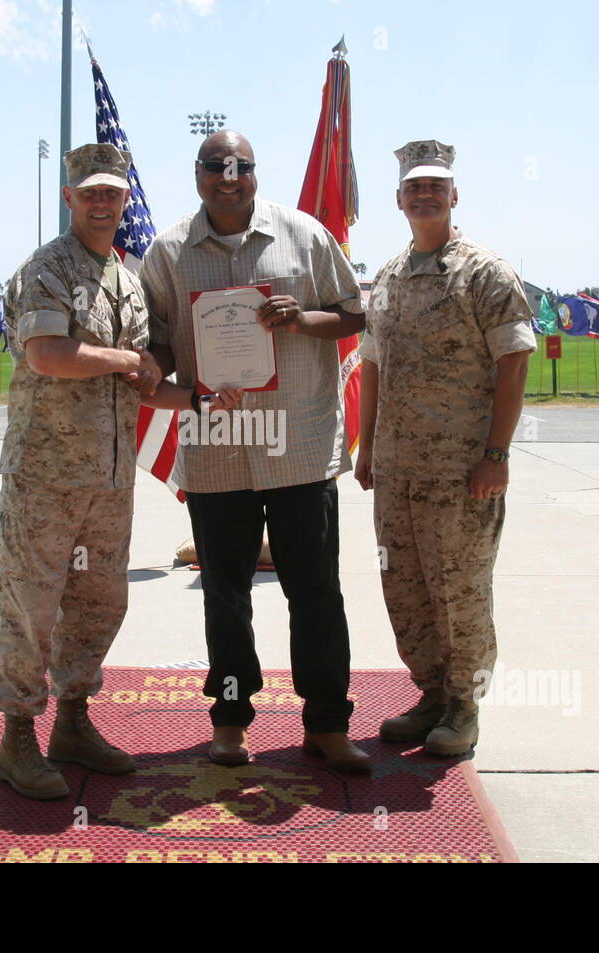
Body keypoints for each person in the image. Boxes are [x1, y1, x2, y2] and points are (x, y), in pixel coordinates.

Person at [0, 143, 241, 800]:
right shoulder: (48, 269)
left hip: (107, 480)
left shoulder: (127, 281)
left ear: (126, 198)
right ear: (69, 198)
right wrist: (125, 363)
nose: (103, 202)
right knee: (31, 604)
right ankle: (17, 738)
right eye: (90, 192)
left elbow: (139, 381)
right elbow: (49, 353)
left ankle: (73, 721)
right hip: (44, 478)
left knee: (99, 603)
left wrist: (194, 396)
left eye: (113, 192)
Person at [140, 130, 370, 772]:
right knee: (225, 593)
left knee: (316, 591)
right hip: (217, 445)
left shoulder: (304, 235)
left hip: (297, 445)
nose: (228, 176)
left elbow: (353, 316)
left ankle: (326, 723)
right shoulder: (168, 251)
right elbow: (158, 337)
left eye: (239, 166)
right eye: (215, 166)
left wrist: (303, 320)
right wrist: (155, 374)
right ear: (197, 174)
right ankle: (232, 719)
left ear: (255, 172)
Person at [355, 140, 535, 756]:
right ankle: (430, 692)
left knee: (459, 590)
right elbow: (372, 365)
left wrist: (498, 454)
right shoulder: (389, 277)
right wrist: (365, 446)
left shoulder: (484, 273)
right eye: (414, 187)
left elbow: (513, 362)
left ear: (454, 197)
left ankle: (463, 706)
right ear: (399, 200)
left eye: (436, 186)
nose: (425, 195)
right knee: (404, 589)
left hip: (462, 473)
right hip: (398, 471)